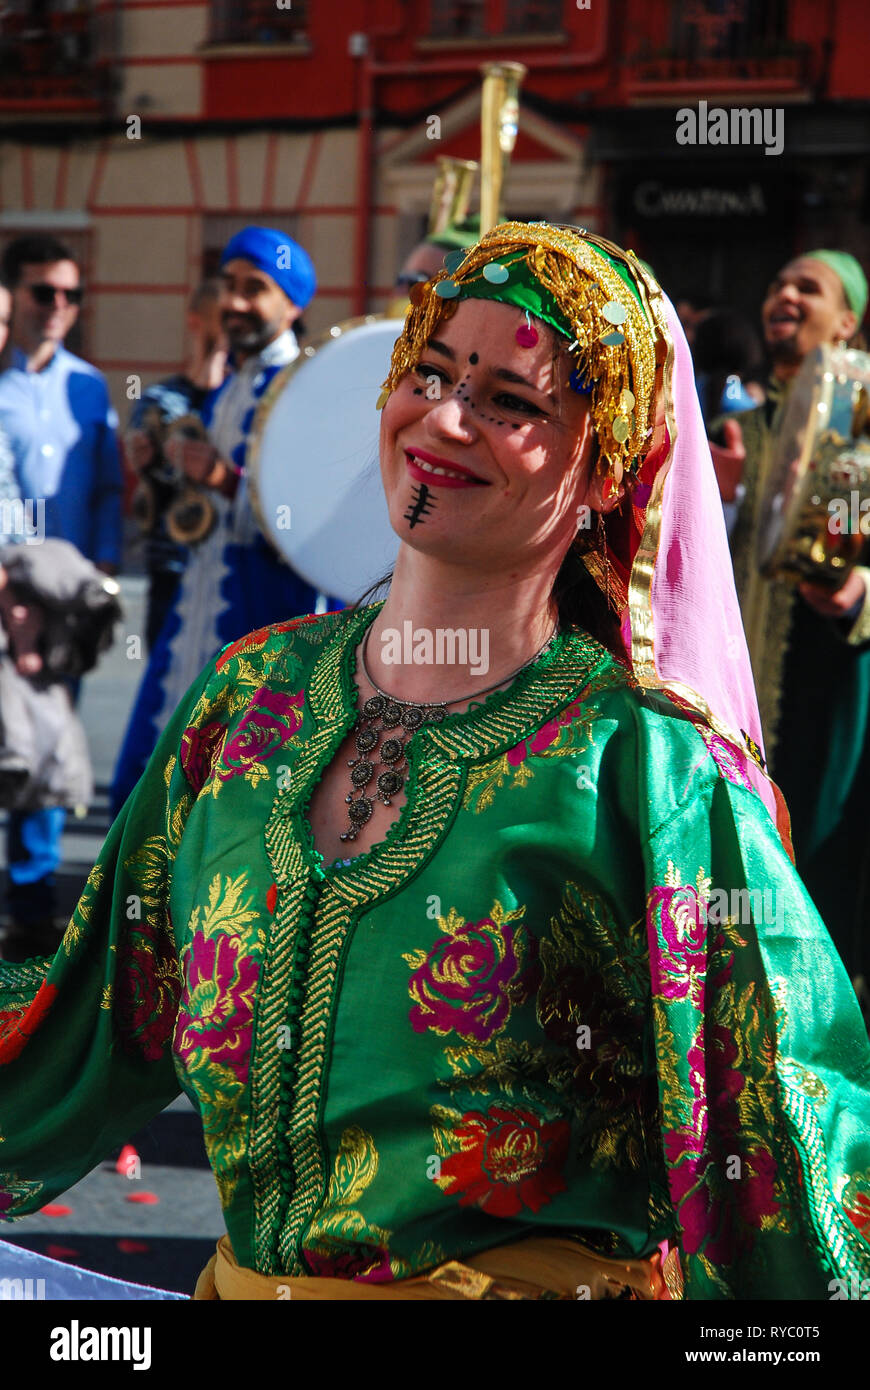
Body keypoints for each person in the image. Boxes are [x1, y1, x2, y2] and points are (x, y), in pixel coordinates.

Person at [1, 221, 869, 1302]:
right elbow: (81, 1017)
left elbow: (791, 1151)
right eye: (431, 370)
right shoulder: (250, 701)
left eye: (512, 400)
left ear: (609, 470)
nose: (445, 418)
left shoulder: (650, 773)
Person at [110, 226, 337, 816]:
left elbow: (315, 523)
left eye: (254, 289)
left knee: (235, 803)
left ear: (294, 304)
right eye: (229, 285)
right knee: (146, 790)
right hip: (194, 606)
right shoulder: (228, 387)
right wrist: (164, 470)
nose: (234, 302)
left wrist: (225, 483)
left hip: (265, 617)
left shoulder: (304, 391)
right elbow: (197, 508)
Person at [711, 250, 870, 997]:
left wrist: (857, 584)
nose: (786, 293)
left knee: (819, 868)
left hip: (828, 677)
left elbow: (851, 539)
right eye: (778, 282)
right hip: (726, 689)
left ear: (849, 320)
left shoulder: (859, 421)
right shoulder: (729, 423)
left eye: (810, 288)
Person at [0, 235, 123, 953]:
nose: (57, 308)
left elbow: (107, 486)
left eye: (71, 295)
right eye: (44, 291)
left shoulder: (88, 386)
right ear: (12, 293)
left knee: (46, 743)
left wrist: (100, 570)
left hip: (64, 599)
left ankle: (34, 901)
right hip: (11, 590)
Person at [124, 279, 227, 650]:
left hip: (228, 570)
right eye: (219, 317)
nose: (227, 329)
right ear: (195, 321)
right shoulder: (162, 399)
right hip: (172, 568)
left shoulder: (244, 402)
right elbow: (160, 477)